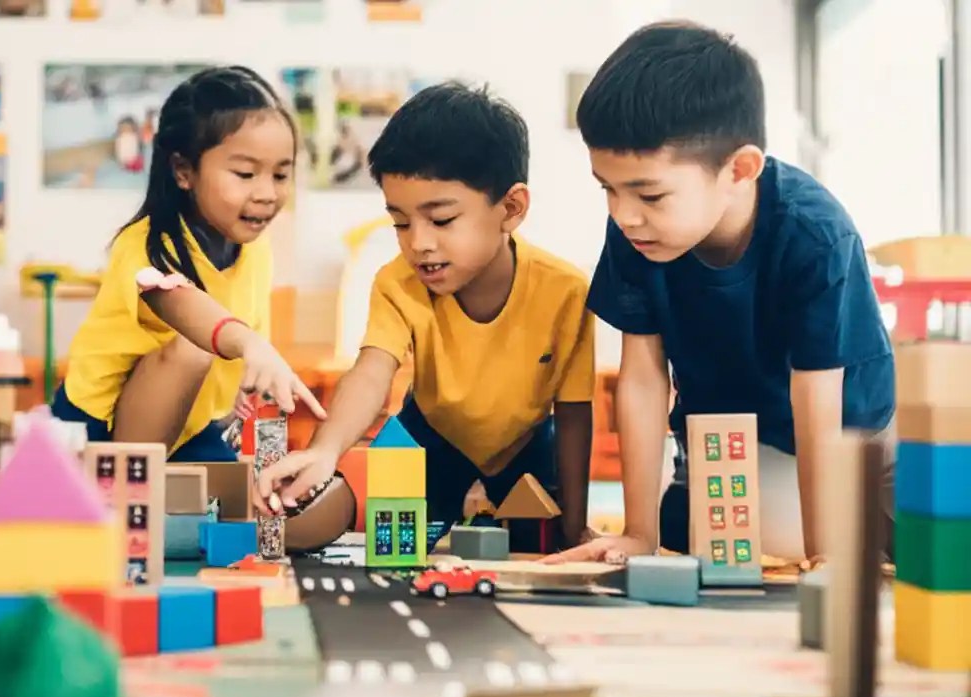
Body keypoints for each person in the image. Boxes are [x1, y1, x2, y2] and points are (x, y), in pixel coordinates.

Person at [548, 21, 894, 566]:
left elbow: (817, 399)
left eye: (650, 194)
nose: (623, 214)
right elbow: (641, 376)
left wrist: (824, 555)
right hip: (728, 437)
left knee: (906, 547)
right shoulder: (637, 233)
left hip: (849, 433)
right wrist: (639, 532)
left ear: (740, 169)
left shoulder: (815, 234)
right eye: (607, 189)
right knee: (687, 541)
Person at [254, 82, 597, 552]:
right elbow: (372, 369)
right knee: (383, 533)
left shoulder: (566, 290)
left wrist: (575, 524)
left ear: (511, 209)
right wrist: (324, 450)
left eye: (440, 220)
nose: (418, 243)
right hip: (433, 438)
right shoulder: (397, 282)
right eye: (400, 222)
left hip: (526, 444)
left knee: (544, 540)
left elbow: (575, 411)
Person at [52, 65, 326, 462]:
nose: (267, 193)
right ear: (184, 172)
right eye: (246, 174)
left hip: (190, 427)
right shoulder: (147, 244)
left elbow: (244, 342)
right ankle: (126, 497)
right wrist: (251, 345)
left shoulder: (255, 253)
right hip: (98, 427)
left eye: (281, 175)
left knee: (266, 501)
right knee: (193, 349)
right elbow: (188, 309)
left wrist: (240, 393)